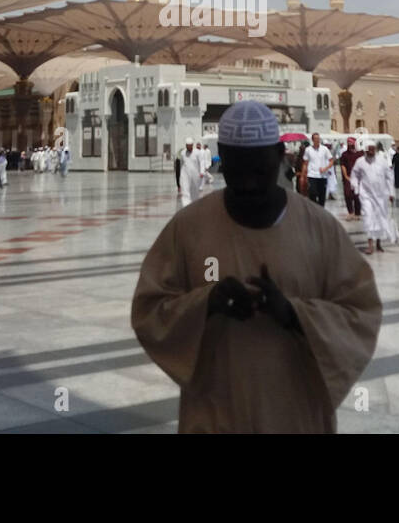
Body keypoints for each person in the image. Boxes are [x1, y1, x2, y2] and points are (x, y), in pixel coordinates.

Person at [131, 99, 382, 433]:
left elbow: (361, 313)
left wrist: (295, 315)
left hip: (295, 414)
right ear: (222, 159)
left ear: (280, 158)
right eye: (237, 171)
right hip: (215, 413)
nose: (248, 182)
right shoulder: (188, 228)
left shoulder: (319, 229)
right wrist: (206, 303)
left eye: (259, 171)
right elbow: (149, 310)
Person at [352, 140, 397, 254]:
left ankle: (378, 243)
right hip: (366, 195)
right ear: (365, 150)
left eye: (373, 149)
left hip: (381, 196)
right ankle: (370, 245)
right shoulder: (360, 162)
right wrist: (356, 188)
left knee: (380, 219)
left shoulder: (382, 161)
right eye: (369, 149)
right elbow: (354, 175)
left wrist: (391, 192)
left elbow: (389, 177)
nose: (371, 151)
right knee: (368, 218)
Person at [302, 132, 331, 206]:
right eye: (316, 139)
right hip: (312, 175)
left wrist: (325, 168)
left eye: (318, 138)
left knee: (322, 195)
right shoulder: (308, 150)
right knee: (312, 193)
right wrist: (303, 176)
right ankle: (314, 208)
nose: (317, 140)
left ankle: (321, 210)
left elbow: (331, 161)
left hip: (322, 176)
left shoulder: (325, 149)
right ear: (312, 140)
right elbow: (305, 163)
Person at [338, 137, 362, 221]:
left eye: (351, 143)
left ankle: (357, 213)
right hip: (348, 178)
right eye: (349, 143)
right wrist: (345, 176)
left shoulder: (360, 154)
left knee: (357, 196)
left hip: (358, 178)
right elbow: (343, 165)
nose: (350, 145)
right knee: (347, 195)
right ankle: (350, 212)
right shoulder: (345, 154)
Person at [178, 137, 207, 206]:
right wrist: (180, 176)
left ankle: (194, 205)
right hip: (185, 175)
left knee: (194, 191)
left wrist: (202, 172)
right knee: (185, 190)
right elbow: (181, 164)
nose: (189, 147)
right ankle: (186, 206)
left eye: (190, 146)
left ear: (192, 145)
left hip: (195, 174)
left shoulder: (198, 152)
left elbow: (202, 162)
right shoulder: (182, 153)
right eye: (187, 146)